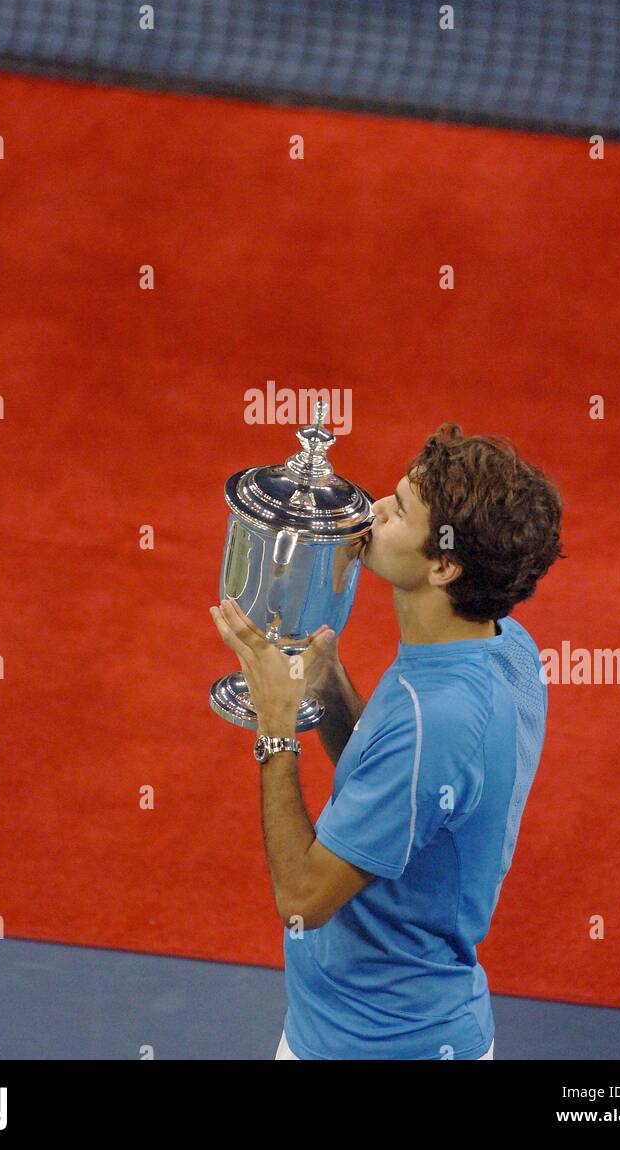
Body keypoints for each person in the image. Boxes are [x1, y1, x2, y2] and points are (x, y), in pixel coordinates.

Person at [209, 420, 564, 1060]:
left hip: (378, 1048)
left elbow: (303, 899)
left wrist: (276, 731)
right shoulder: (506, 649)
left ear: (445, 564)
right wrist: (328, 680)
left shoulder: (438, 722)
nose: (371, 511)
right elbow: (405, 794)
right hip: (363, 1033)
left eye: (398, 510)